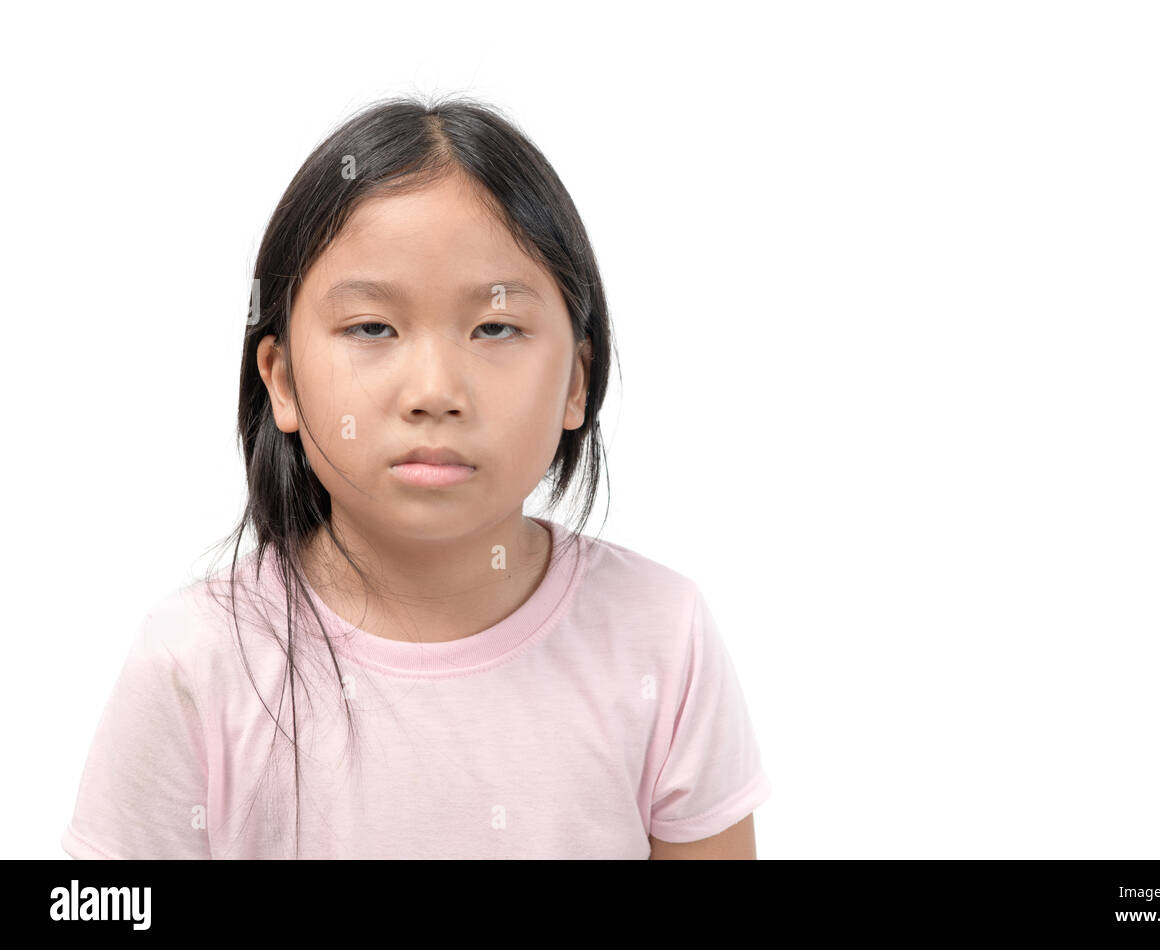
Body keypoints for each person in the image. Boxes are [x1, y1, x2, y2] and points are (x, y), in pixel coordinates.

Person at [60, 94, 771, 859]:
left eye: (495, 326)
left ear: (576, 381)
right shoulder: (194, 662)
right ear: (284, 381)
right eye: (372, 328)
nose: (435, 390)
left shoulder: (661, 637)